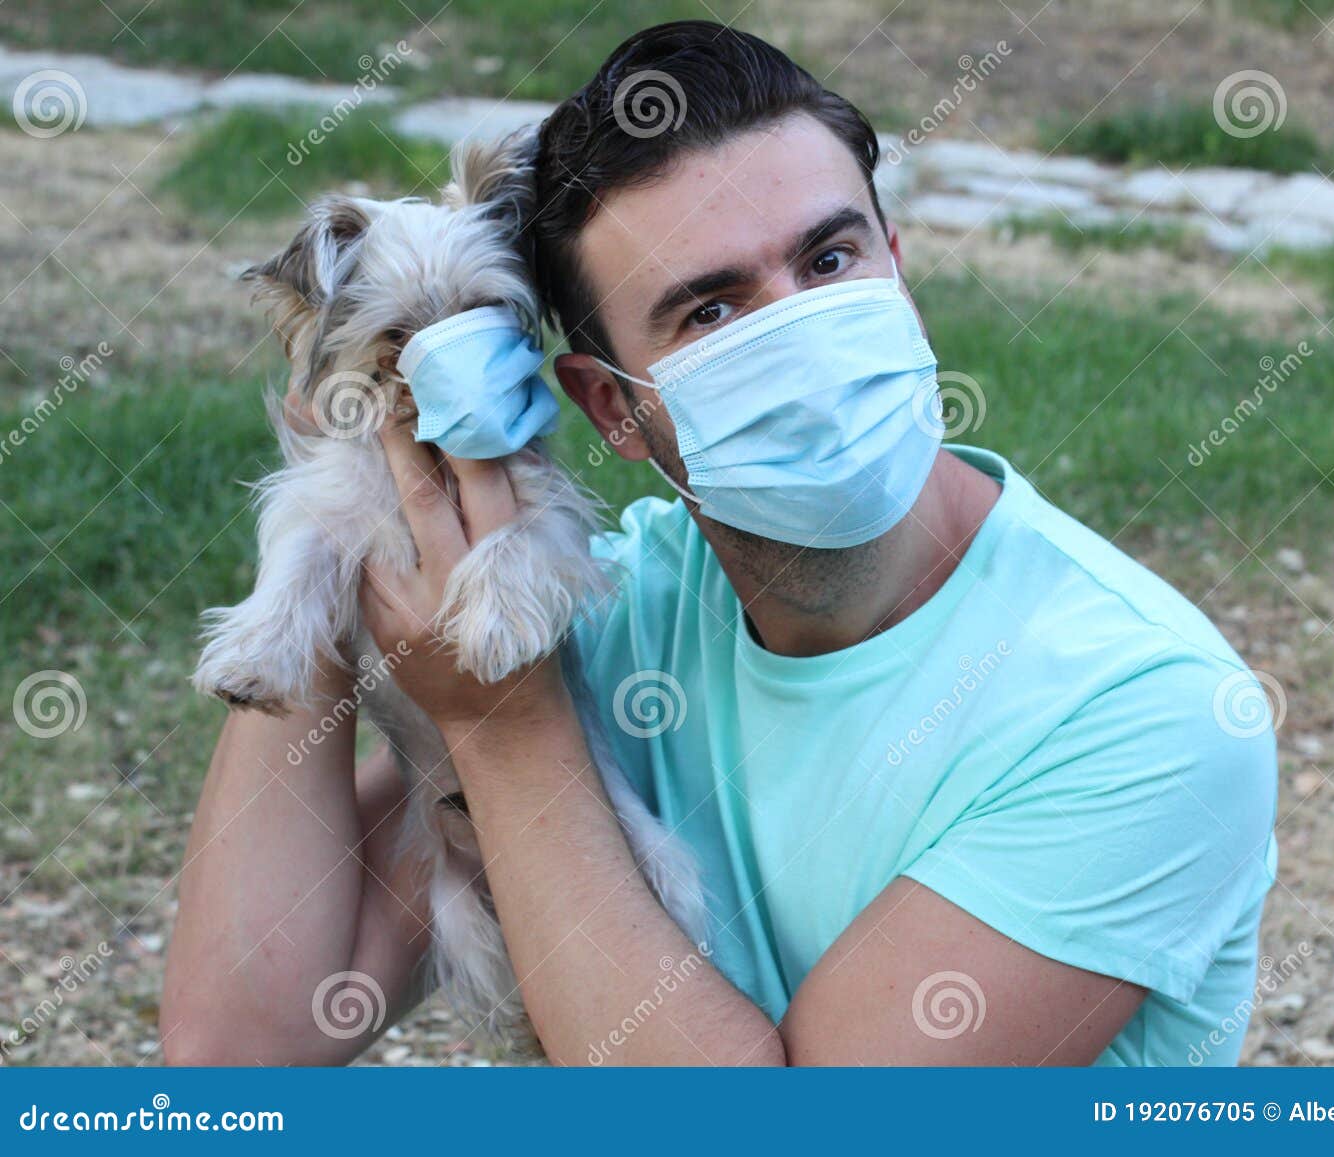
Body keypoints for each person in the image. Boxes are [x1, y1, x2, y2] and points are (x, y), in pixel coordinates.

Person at [161, 20, 1277, 1066]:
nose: (796, 327)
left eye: (829, 261)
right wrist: (324, 547)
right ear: (611, 407)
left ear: (900, 266)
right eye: (710, 309)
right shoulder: (625, 604)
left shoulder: (1142, 712)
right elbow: (235, 1050)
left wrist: (505, 726)